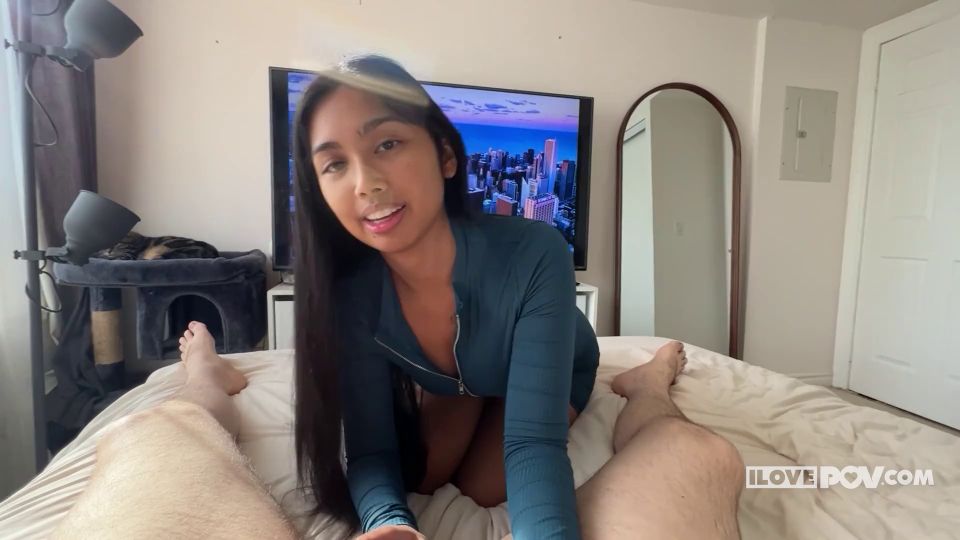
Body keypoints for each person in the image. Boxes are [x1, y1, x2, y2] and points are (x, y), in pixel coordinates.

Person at [51, 56, 745, 540]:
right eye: (334, 163)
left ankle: (648, 384)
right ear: (318, 189)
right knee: (423, 481)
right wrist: (389, 524)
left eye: (386, 144)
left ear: (445, 154)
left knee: (488, 485)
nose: (367, 183)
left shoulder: (535, 250)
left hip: (553, 362)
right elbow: (371, 452)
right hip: (458, 377)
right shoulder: (349, 292)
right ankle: (455, 384)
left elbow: (534, 445)